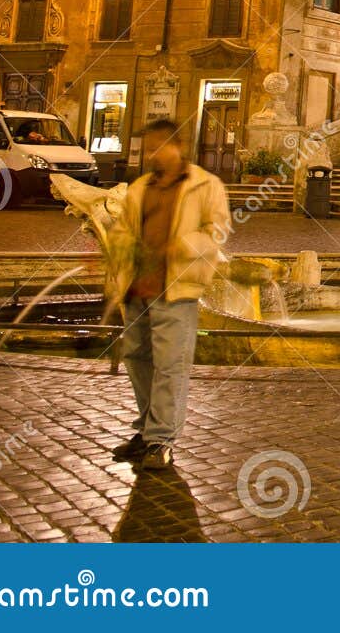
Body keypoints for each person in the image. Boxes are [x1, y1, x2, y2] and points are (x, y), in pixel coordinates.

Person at [111, 120, 230, 470]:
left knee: (170, 366)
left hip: (175, 287)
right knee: (137, 359)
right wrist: (115, 248)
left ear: (179, 146)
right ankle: (148, 430)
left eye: (159, 146)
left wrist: (178, 247)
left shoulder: (207, 186)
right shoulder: (138, 188)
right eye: (148, 147)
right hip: (136, 287)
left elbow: (218, 232)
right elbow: (123, 230)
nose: (153, 154)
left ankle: (161, 440)